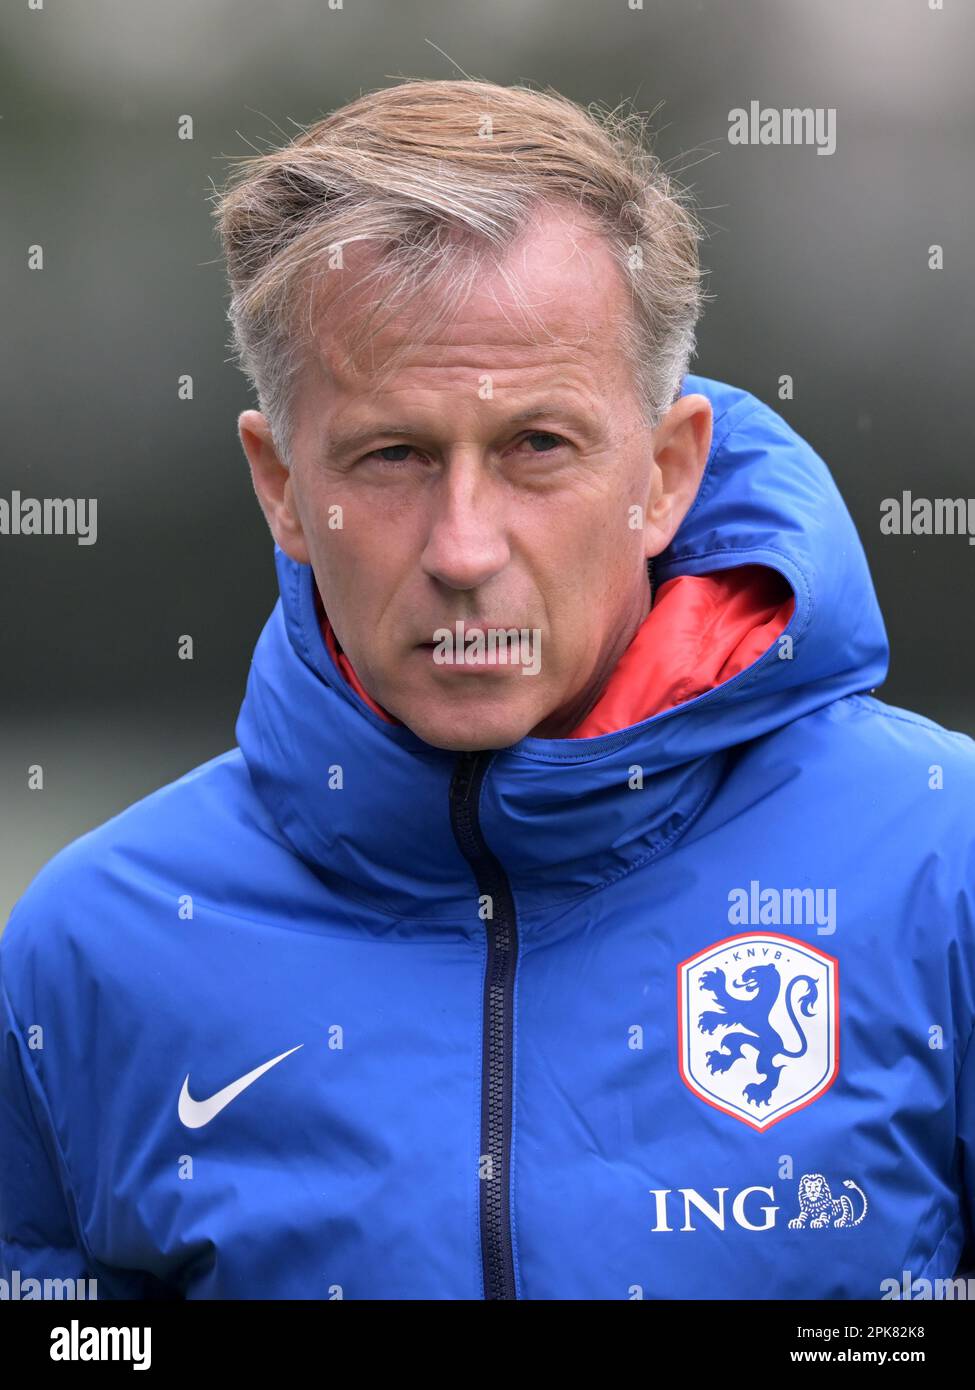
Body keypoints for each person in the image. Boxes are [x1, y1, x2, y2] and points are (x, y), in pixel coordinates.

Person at [1, 78, 973, 1301]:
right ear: (283, 487)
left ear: (669, 472)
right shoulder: (94, 947)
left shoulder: (945, 862)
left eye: (538, 448)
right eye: (393, 455)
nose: (464, 549)